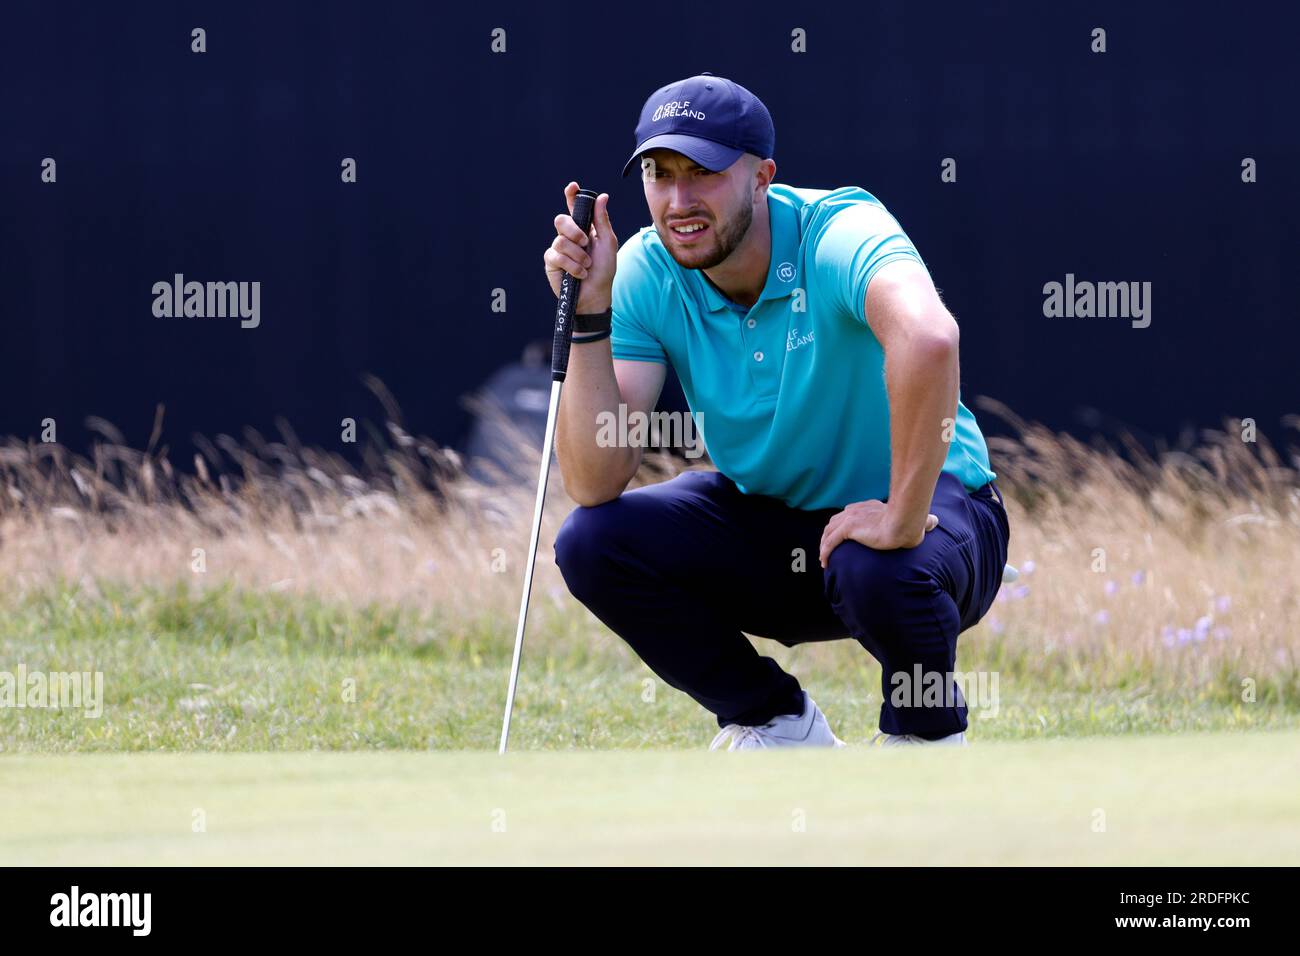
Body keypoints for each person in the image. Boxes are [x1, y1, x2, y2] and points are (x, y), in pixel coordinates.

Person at [542, 73, 1010, 750]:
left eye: (702, 172)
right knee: (590, 541)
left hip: (933, 520)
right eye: (659, 173)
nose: (678, 200)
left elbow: (931, 338)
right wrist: (590, 315)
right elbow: (594, 480)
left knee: (876, 565)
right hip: (782, 533)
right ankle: (774, 723)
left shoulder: (838, 230)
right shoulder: (645, 269)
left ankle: (927, 741)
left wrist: (901, 517)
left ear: (762, 176)